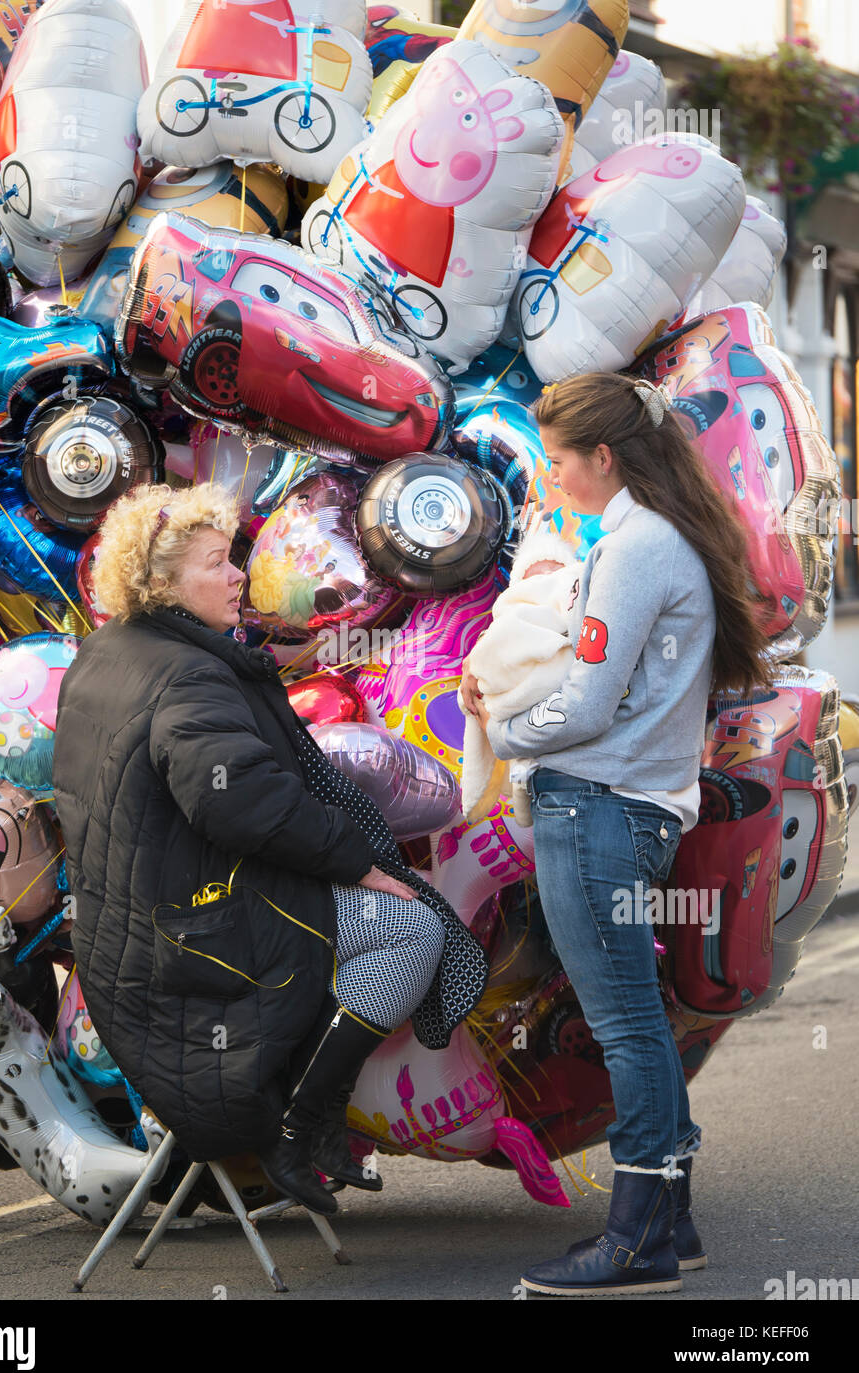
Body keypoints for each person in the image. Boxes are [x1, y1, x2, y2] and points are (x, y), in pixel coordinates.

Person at [53, 482, 487, 1217]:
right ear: (161, 583)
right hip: (195, 938)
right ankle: (306, 1121)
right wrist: (360, 864)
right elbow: (237, 799)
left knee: (392, 927)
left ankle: (306, 1117)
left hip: (137, 932)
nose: (237, 577)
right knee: (413, 929)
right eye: (218, 563)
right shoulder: (187, 671)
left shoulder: (106, 654)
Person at [460, 372, 773, 1296]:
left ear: (603, 456)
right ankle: (669, 1222)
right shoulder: (662, 537)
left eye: (556, 463)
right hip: (629, 807)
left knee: (628, 1026)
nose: (550, 481)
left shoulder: (636, 547)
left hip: (594, 803)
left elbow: (588, 702)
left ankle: (635, 1243)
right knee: (640, 1022)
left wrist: (502, 731)